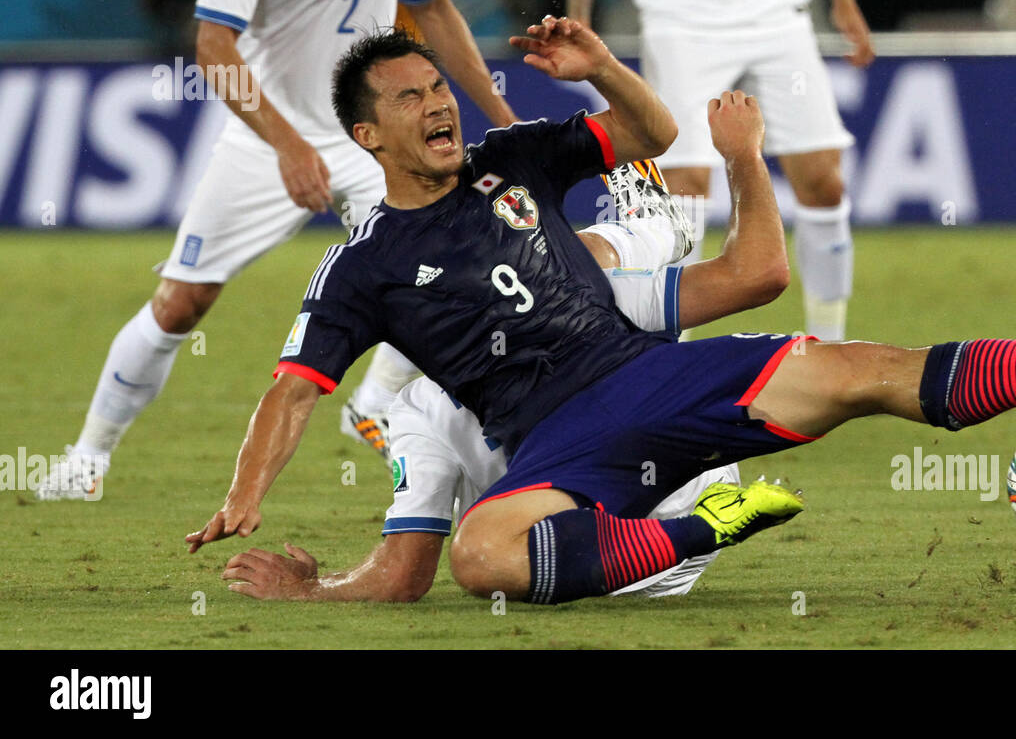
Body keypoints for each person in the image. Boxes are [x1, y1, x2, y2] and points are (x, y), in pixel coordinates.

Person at [188, 21, 1016, 607]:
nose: (440, 106)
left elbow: (652, 135)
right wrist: (244, 496)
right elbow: (291, 391)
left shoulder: (515, 159)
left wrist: (601, 65)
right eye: (412, 99)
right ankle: (711, 524)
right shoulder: (360, 268)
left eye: (440, 86)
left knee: (850, 372)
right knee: (482, 558)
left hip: (645, 368)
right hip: (555, 442)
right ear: (368, 135)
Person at [34, 0, 515, 501]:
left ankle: (374, 406)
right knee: (182, 304)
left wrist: (502, 117)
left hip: (370, 135)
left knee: (458, 263)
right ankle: (87, 460)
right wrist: (290, 146)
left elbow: (434, 7)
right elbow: (213, 45)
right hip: (268, 139)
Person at [210, 137, 790, 600]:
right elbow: (751, 278)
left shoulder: (420, 408)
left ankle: (659, 230)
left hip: (565, 564)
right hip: (669, 539)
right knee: (594, 277)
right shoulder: (585, 304)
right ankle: (659, 229)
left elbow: (404, 574)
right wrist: (741, 156)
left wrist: (313, 589)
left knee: (588, 280)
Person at [565, 0, 875, 341]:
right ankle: (674, 354)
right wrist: (581, 20)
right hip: (681, 17)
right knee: (683, 188)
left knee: (824, 181)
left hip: (777, 11)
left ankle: (829, 345)